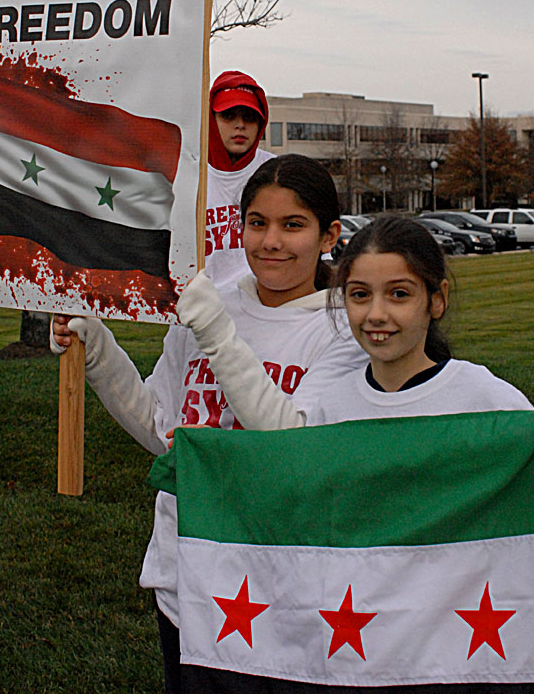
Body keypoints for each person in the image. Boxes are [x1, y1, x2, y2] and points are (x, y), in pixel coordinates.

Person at [50, 154, 367, 694]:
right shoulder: (211, 306)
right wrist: (97, 346)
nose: (271, 242)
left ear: (329, 234)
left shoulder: (344, 328)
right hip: (186, 576)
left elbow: (291, 446)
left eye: (293, 225)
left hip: (283, 586)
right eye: (257, 223)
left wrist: (216, 332)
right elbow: (160, 426)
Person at [179, 213, 534, 436]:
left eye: (399, 294)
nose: (376, 315)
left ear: (437, 300)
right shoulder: (329, 410)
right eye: (360, 294)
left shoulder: (486, 400)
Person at [205, 69, 275, 286]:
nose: (240, 125)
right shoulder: (186, 172)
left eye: (250, 117)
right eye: (228, 115)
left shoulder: (275, 171)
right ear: (210, 118)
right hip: (199, 310)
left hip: (260, 307)